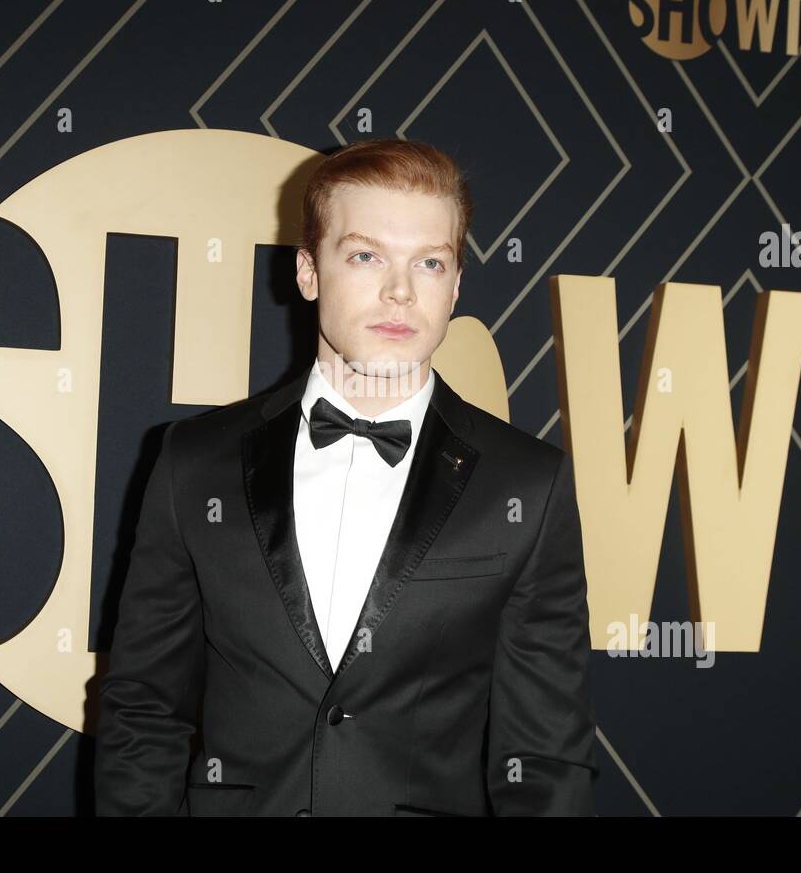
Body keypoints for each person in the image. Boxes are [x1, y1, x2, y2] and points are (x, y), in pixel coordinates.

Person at [95, 138, 598, 816]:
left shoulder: (526, 486)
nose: (400, 291)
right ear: (308, 271)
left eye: (429, 262)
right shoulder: (195, 462)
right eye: (365, 256)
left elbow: (545, 760)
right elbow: (142, 714)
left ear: (455, 285)